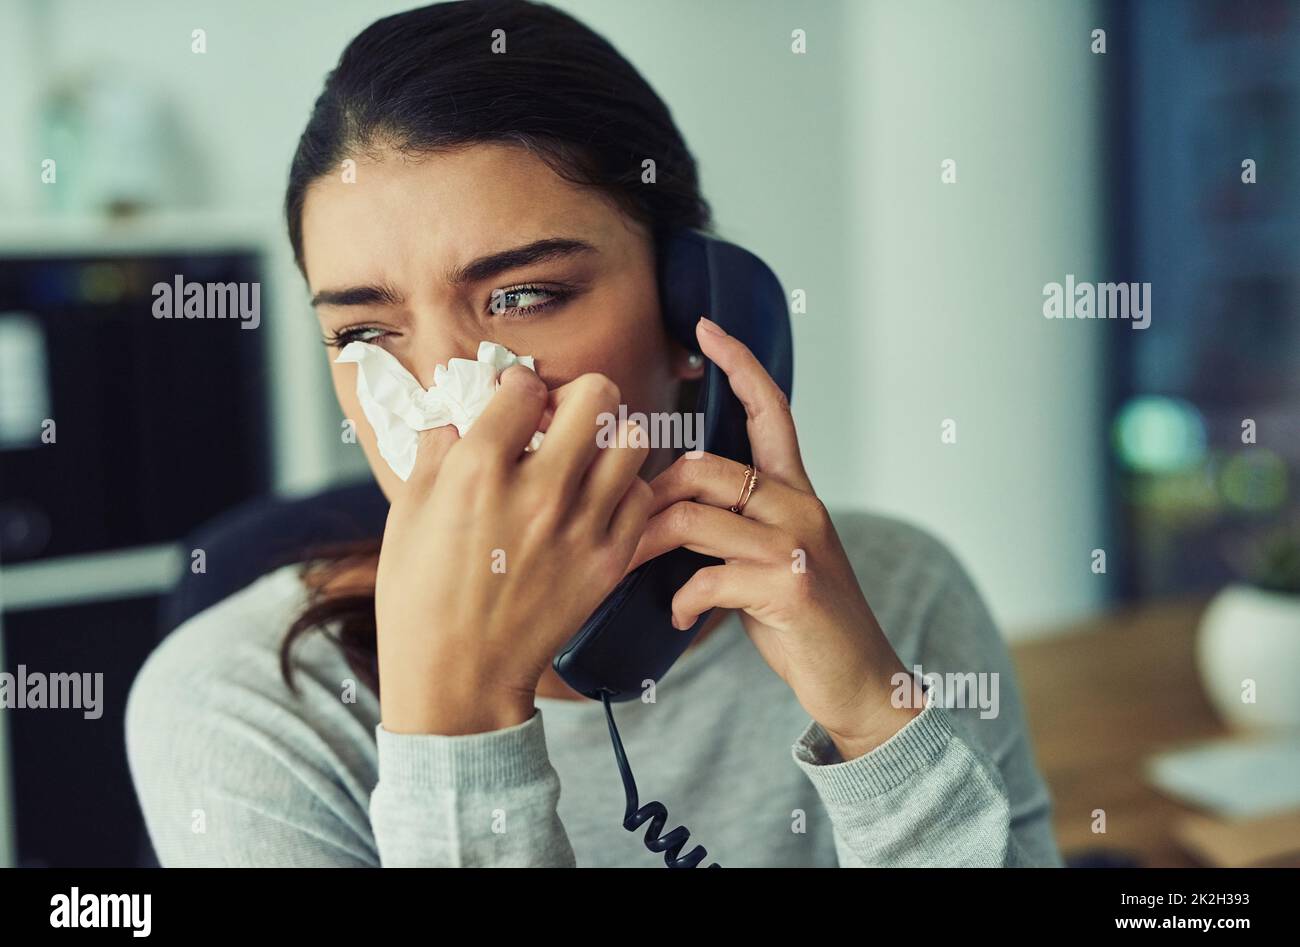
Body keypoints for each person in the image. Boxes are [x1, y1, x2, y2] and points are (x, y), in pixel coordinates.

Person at [126, 0, 1062, 867]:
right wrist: (455, 730)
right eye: (366, 333)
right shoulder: (235, 708)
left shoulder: (899, 594)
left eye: (524, 297)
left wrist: (875, 727)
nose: (464, 404)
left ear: (695, 313)